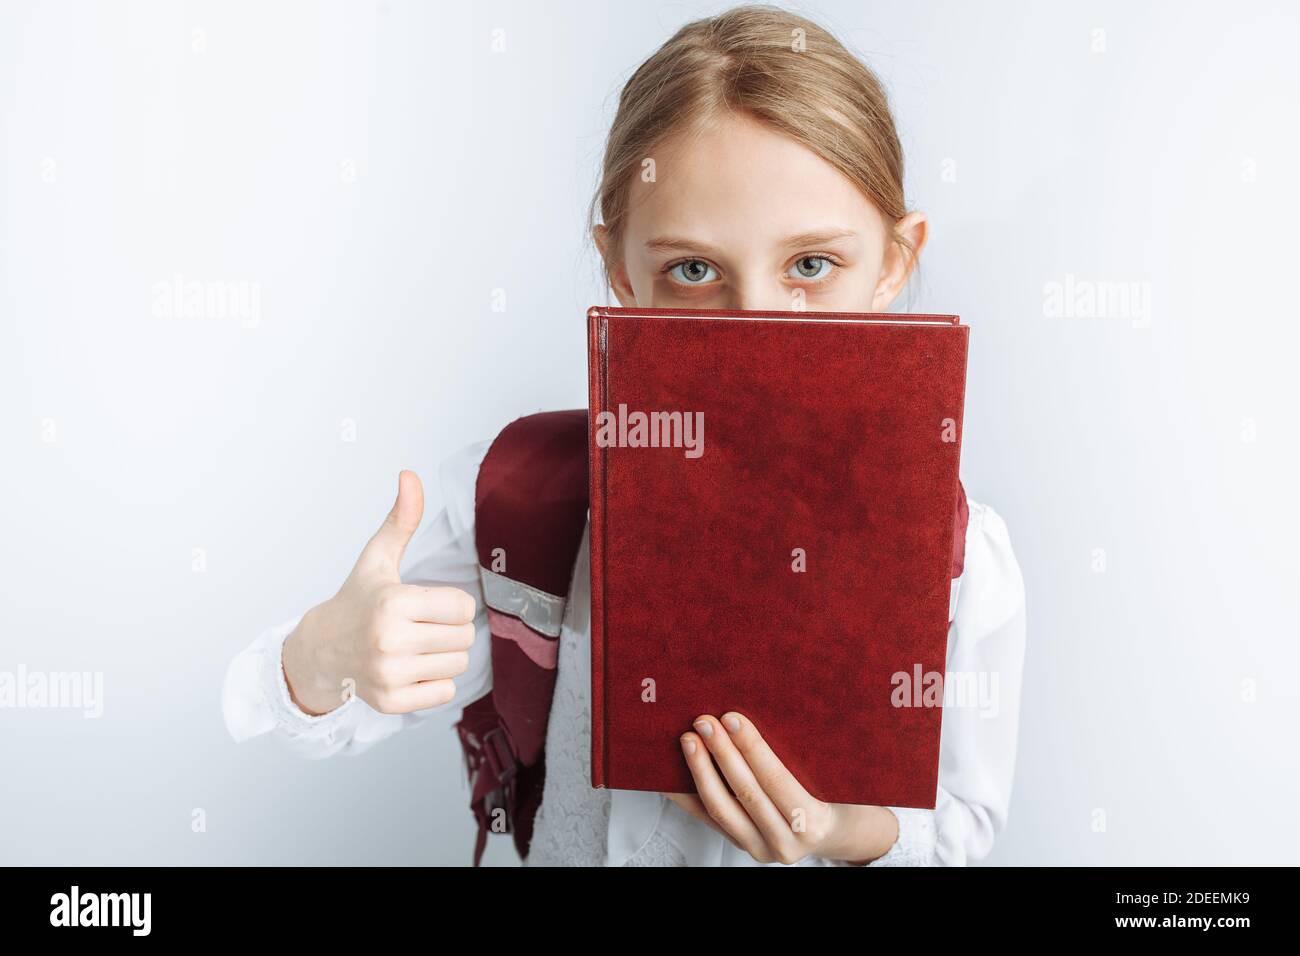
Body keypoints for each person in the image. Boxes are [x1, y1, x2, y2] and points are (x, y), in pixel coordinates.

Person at [222, 4, 1027, 867]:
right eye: (693, 269)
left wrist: (849, 834)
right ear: (620, 273)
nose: (753, 322)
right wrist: (325, 657)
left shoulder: (959, 553)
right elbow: (296, 706)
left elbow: (963, 833)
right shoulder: (523, 499)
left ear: (895, 266)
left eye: (810, 265)